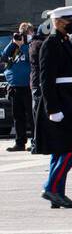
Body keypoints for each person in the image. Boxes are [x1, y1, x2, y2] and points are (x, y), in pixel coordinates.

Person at [34, 7, 72, 209]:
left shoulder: (64, 42)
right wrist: (52, 108)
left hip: (67, 98)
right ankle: (51, 188)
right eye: (68, 20)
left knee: (61, 149)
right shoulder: (51, 44)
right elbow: (45, 79)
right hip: (59, 102)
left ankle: (58, 193)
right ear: (57, 22)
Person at [3, 22, 34, 151]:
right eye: (22, 32)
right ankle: (20, 143)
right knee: (18, 116)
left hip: (28, 86)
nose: (23, 35)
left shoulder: (32, 45)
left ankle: (35, 142)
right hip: (15, 86)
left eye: (26, 33)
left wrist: (23, 45)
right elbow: (4, 56)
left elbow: (32, 58)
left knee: (32, 116)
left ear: (31, 33)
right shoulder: (14, 46)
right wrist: (14, 43)